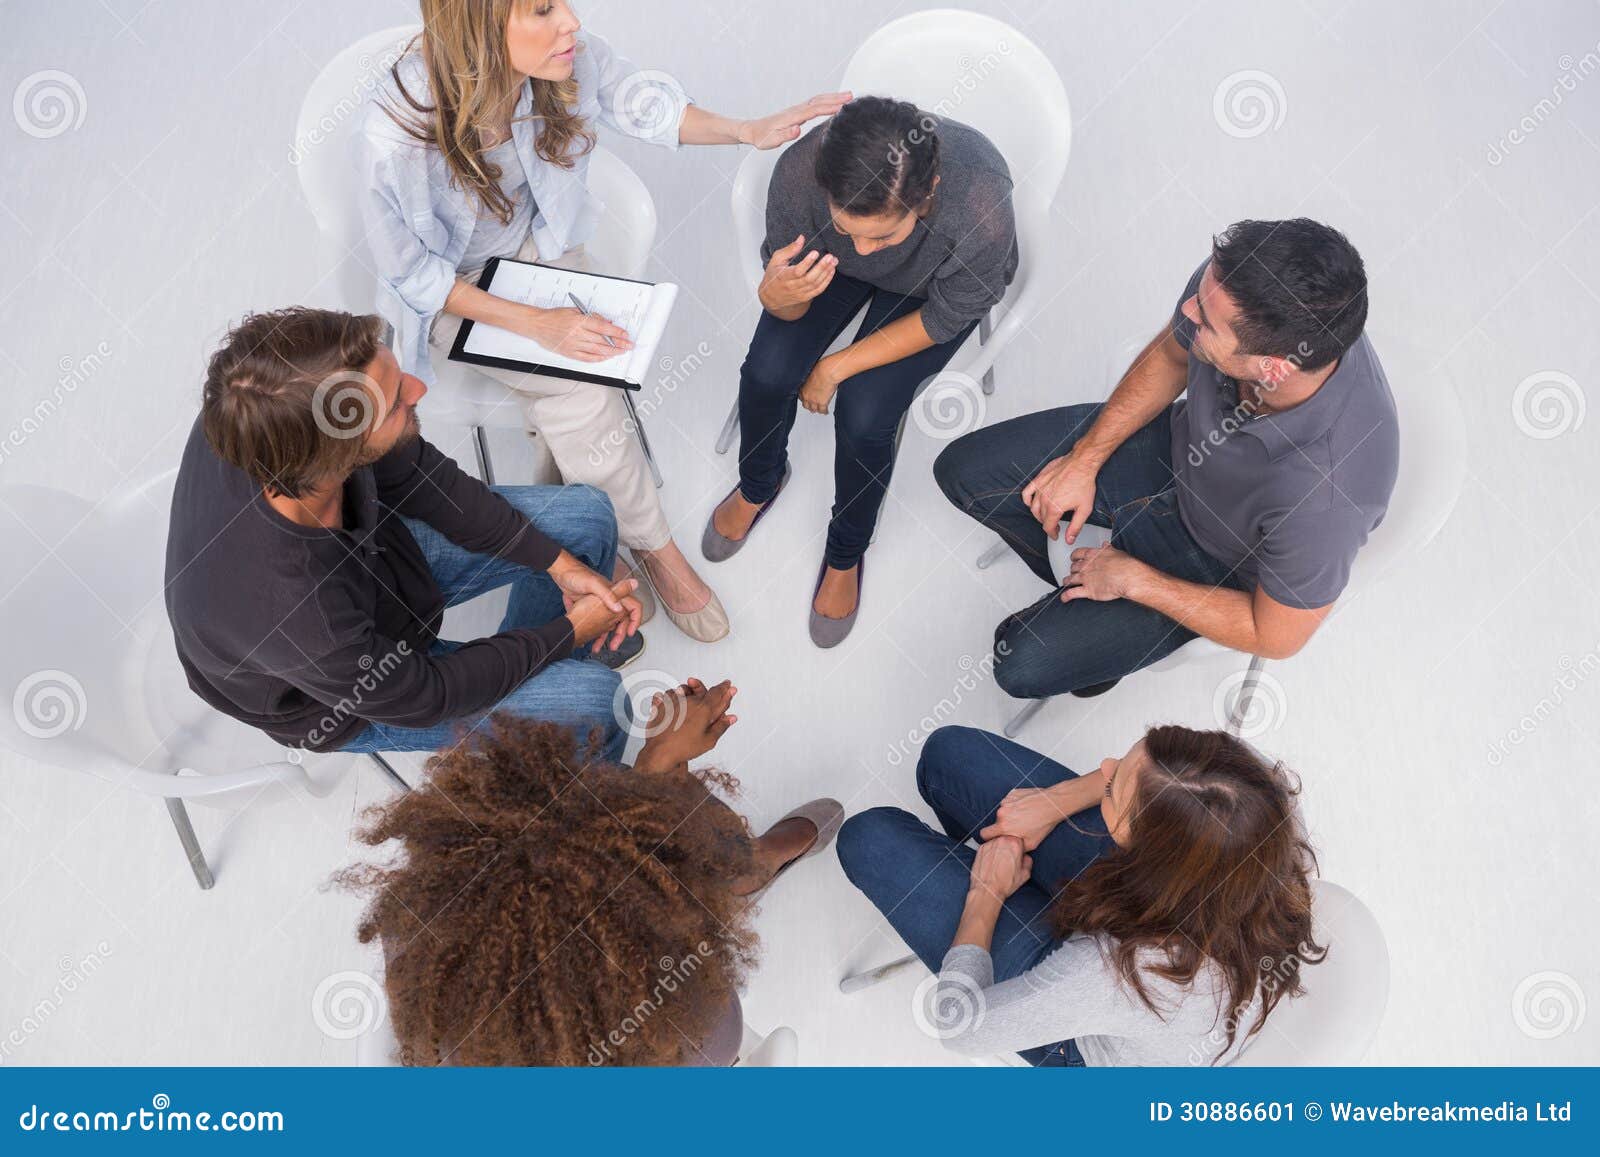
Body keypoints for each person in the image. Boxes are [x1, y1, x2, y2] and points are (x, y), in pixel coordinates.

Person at [357, 0, 851, 643]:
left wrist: (748, 130)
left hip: (541, 247)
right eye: (542, 10)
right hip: (459, 292)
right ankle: (653, 546)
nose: (570, 21)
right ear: (480, 25)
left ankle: (582, 529)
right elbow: (412, 274)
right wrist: (539, 324)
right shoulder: (397, 132)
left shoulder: (559, 57)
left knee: (580, 385)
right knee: (585, 387)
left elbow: (640, 102)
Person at [935, 219, 1397, 702]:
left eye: (1206, 322)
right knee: (962, 472)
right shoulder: (1230, 286)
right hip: (1173, 448)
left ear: (1272, 368)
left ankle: (1088, 641)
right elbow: (1172, 357)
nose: (1188, 310)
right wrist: (1084, 460)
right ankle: (1080, 607)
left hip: (1217, 562)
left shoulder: (1329, 497)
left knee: (1018, 663)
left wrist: (1136, 581)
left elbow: (1276, 635)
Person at [164, 306, 643, 764]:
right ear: (335, 455)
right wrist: (566, 634)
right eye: (396, 402)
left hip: (376, 561)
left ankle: (538, 665)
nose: (419, 388)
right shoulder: (300, 619)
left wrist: (560, 568)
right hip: (351, 698)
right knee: (599, 703)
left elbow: (417, 474)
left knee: (586, 518)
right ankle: (559, 750)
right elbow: (429, 693)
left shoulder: (270, 400)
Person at [338, 679, 843, 1066]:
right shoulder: (701, 1035)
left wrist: (652, 778)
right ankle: (749, 866)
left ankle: (718, 851)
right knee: (694, 849)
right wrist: (658, 774)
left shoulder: (425, 937)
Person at [702, 96, 1017, 647]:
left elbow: (946, 317)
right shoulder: (801, 173)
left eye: (884, 236)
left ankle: (845, 551)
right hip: (828, 271)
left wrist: (835, 367)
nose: (866, 250)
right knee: (767, 372)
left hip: (927, 293)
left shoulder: (980, 203)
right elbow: (790, 307)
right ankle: (759, 482)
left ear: (929, 191)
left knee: (866, 415)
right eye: (849, 229)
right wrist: (775, 297)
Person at [837, 724, 1323, 1066]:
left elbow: (961, 1026)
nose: (1105, 767)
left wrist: (985, 894)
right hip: (1148, 911)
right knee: (948, 754)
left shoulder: (1124, 975)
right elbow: (1133, 774)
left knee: (868, 840)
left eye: (1115, 790)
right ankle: (969, 868)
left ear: (1150, 851)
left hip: (1094, 1028)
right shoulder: (1248, 796)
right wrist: (1055, 801)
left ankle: (974, 882)